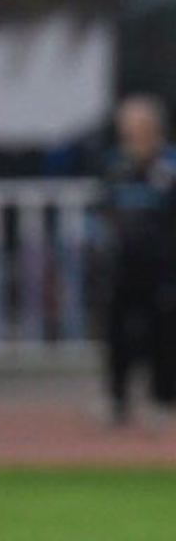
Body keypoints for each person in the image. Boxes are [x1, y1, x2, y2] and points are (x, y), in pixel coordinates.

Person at [99, 94, 176, 424]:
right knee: (116, 332)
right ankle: (118, 400)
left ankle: (164, 400)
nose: (134, 133)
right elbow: (103, 209)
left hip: (162, 266)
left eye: (140, 126)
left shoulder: (169, 167)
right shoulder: (116, 167)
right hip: (121, 265)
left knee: (164, 333)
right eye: (129, 127)